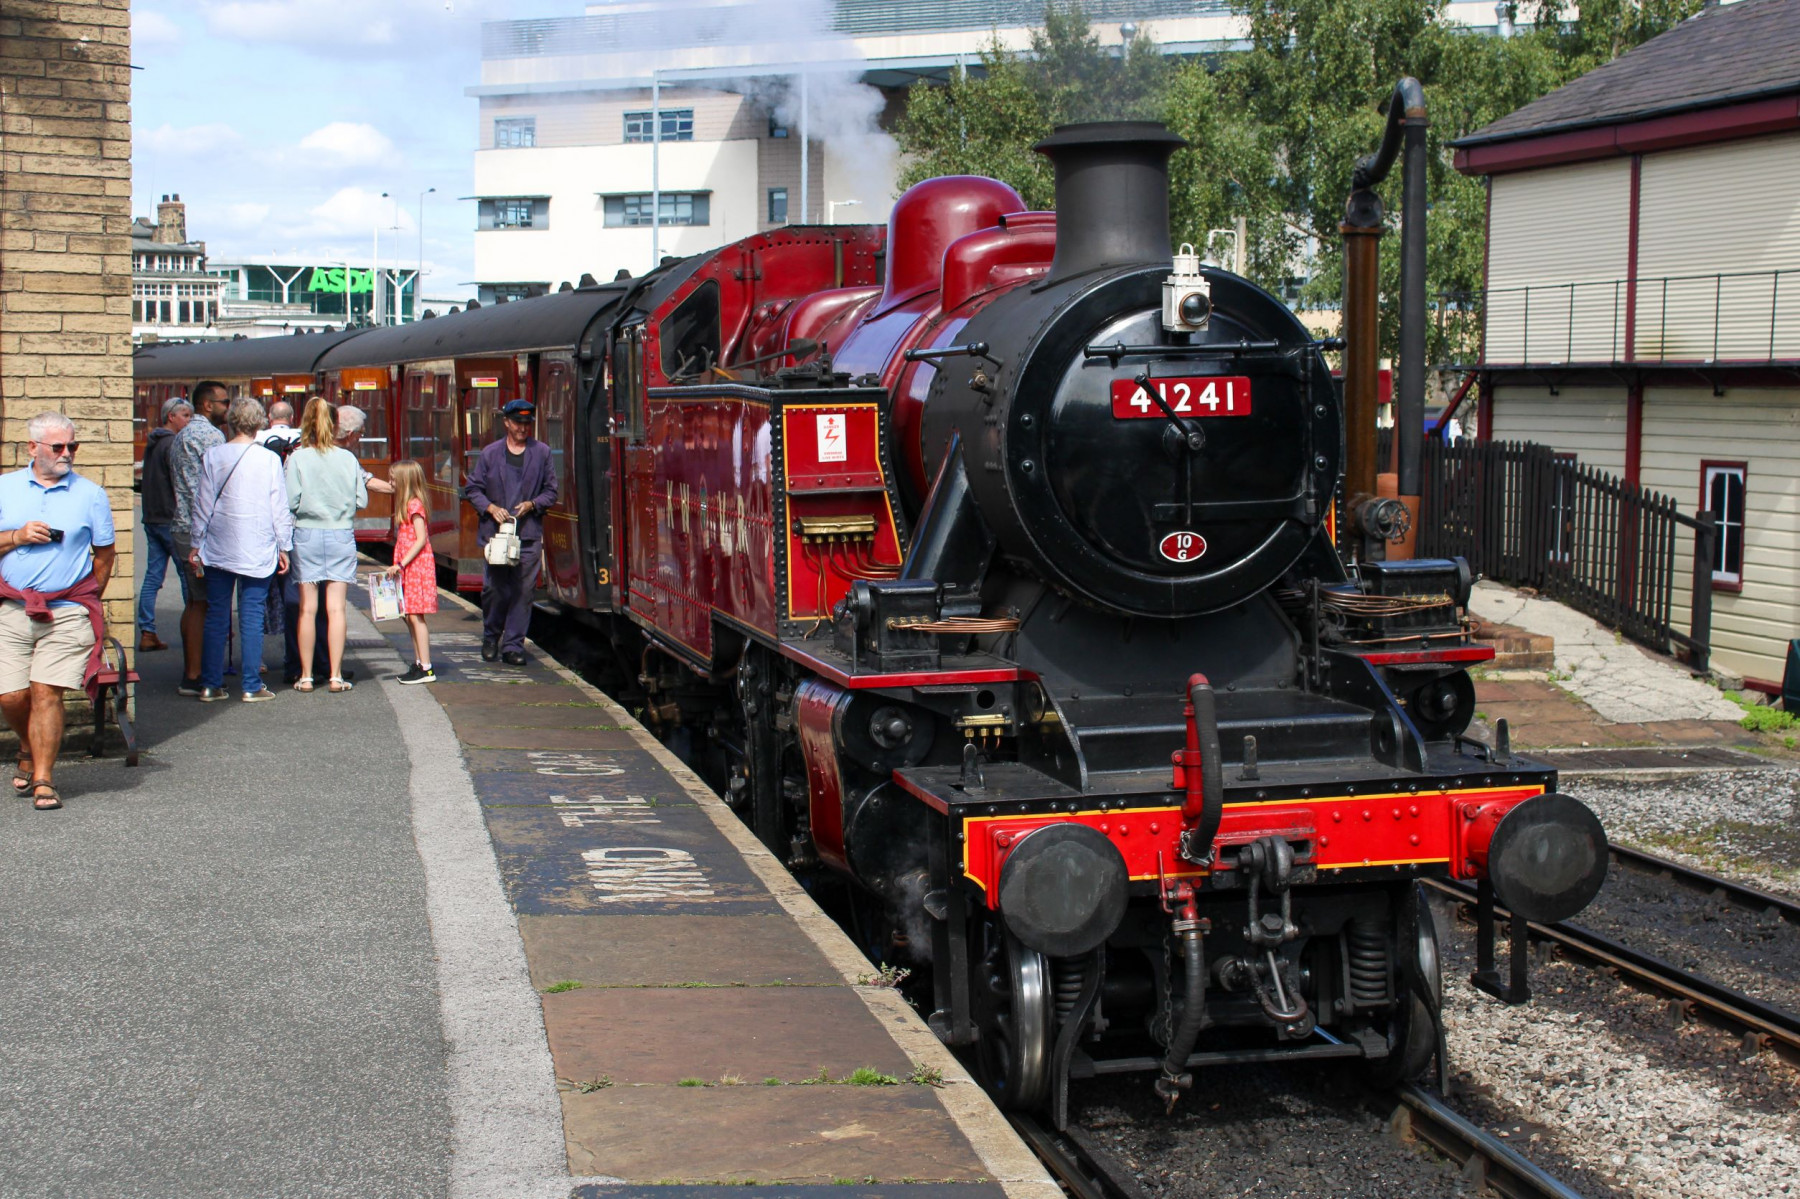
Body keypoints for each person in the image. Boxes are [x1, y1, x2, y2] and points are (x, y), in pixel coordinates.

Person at [0, 412, 115, 810]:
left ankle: (44, 780)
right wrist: (17, 537)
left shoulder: (91, 494)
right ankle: (29, 746)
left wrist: (87, 598)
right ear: (33, 447)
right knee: (11, 696)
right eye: (58, 446)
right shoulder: (5, 488)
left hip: (67, 610)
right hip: (14, 607)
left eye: (72, 446)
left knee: (45, 692)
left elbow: (105, 554)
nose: (67, 453)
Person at [188, 398, 293, 702]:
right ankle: (251, 685)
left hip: (219, 544)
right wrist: (284, 545)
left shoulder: (213, 456)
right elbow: (278, 506)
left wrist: (196, 542)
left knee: (217, 615)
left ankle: (211, 684)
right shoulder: (270, 460)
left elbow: (203, 503)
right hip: (258, 544)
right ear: (259, 423)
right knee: (252, 615)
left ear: (232, 422)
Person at [464, 397, 556, 666]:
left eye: (527, 423)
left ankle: (513, 646)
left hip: (527, 535)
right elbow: (473, 488)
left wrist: (533, 504)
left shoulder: (542, 453)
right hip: (496, 536)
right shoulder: (490, 453)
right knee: (494, 589)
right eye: (517, 422)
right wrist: (490, 508)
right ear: (506, 422)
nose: (522, 428)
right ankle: (491, 636)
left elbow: (551, 491)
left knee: (523, 593)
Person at [286, 396, 365, 692]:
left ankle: (306, 676)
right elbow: (362, 499)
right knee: (336, 610)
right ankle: (335, 676)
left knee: (307, 609)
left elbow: (290, 501)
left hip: (306, 534)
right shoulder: (348, 459)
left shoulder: (298, 458)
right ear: (335, 426)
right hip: (340, 534)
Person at [169, 380, 229, 694]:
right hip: (199, 531)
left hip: (182, 525)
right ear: (207, 405)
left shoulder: (182, 435)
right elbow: (216, 486)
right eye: (224, 402)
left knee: (194, 601)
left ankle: (192, 670)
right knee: (203, 603)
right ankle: (195, 674)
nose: (227, 408)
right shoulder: (211, 436)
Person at [135, 397, 193, 651]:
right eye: (185, 415)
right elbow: (179, 481)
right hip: (170, 517)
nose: (188, 421)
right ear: (171, 416)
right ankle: (195, 629)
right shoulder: (172, 444)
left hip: (152, 516)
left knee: (153, 576)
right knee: (188, 576)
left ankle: (147, 631)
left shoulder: (153, 441)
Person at [385, 460, 437, 684]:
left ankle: (426, 667)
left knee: (416, 616)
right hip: (409, 566)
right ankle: (418, 662)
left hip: (416, 567)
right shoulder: (407, 504)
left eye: (393, 479)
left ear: (404, 481)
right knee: (409, 615)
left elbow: (421, 539)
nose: (390, 483)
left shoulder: (415, 505)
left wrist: (401, 564)